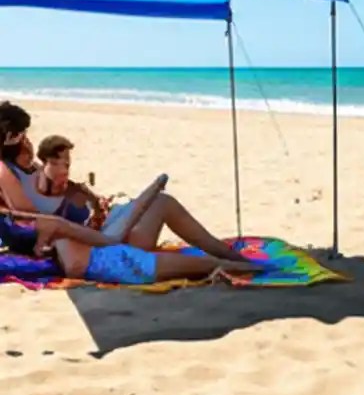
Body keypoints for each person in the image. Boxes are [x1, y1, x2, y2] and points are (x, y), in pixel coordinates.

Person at [0, 101, 258, 285]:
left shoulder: (28, 167)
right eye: (23, 135)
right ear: (11, 137)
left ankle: (230, 255)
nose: (28, 139)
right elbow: (31, 217)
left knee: (162, 202)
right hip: (88, 245)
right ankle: (237, 264)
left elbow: (53, 192)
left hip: (92, 233)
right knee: (154, 224)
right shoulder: (5, 170)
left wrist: (87, 200)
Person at [34, 134, 103, 227]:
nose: (68, 161)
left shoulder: (48, 175)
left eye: (67, 157)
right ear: (51, 160)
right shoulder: (45, 180)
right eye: (65, 157)